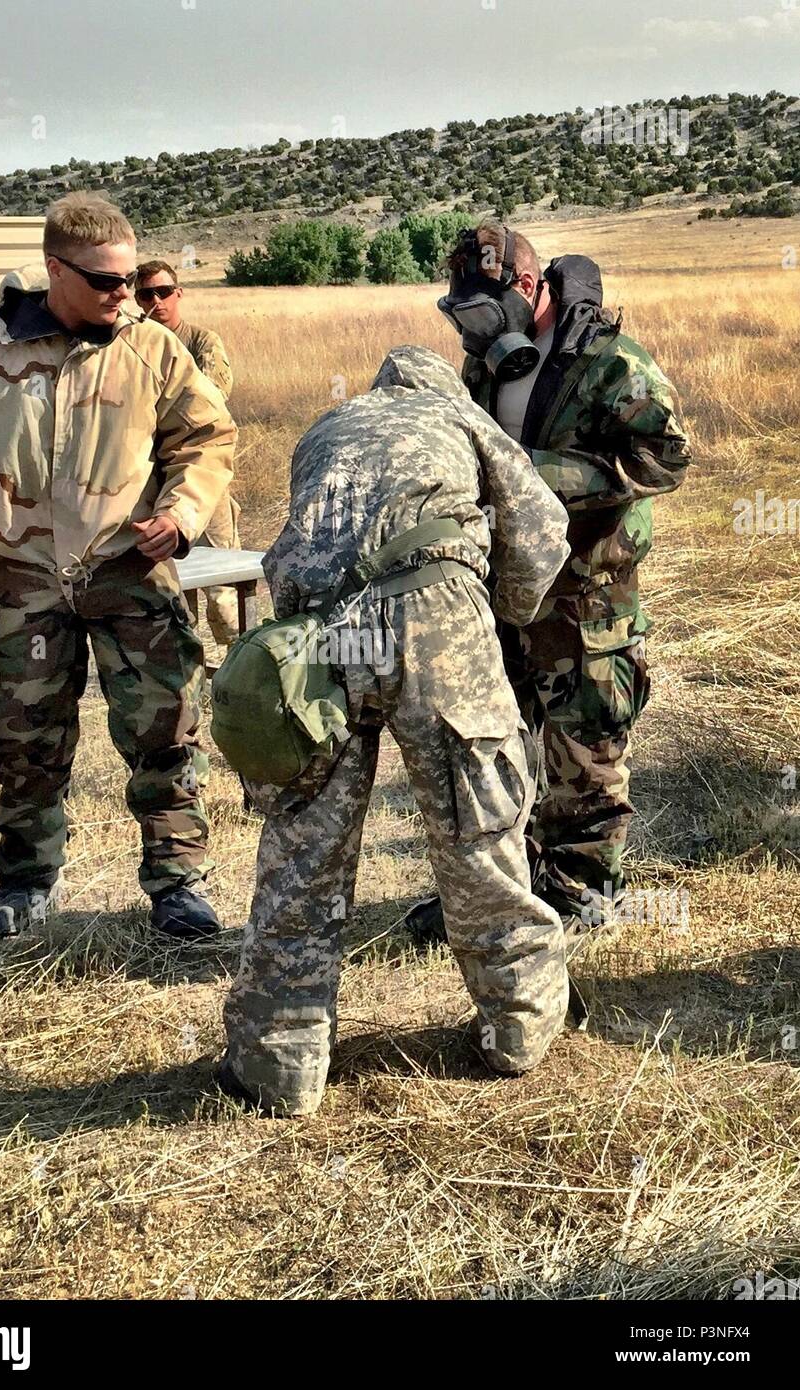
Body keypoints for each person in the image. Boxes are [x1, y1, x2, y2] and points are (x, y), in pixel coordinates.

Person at [220, 346, 571, 1116]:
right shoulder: (459, 414)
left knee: (303, 847)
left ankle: (279, 1067)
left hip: (318, 635)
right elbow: (543, 532)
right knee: (479, 832)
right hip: (436, 622)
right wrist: (504, 609)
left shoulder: (327, 424)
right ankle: (518, 1030)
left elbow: (301, 543)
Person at [0, 194, 237, 941]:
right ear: (55, 270)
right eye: (106, 282)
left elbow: (208, 439)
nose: (125, 295)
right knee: (26, 743)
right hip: (25, 577)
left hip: (129, 571)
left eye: (131, 280)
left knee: (163, 735)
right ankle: (25, 881)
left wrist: (182, 514)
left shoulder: (150, 347)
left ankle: (178, 882)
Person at [414, 220, 693, 952]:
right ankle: (502, 885)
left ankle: (583, 890)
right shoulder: (484, 368)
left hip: (587, 595)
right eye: (462, 315)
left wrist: (536, 476)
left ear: (528, 287)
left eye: (485, 311)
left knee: (585, 749)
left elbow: (664, 456)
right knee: (502, 742)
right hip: (510, 591)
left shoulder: (608, 362)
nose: (474, 331)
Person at [134, 259, 240, 648]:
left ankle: (236, 667)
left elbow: (212, 404)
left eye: (164, 292)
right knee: (170, 587)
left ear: (179, 293)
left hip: (199, 477)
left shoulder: (201, 342)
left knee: (221, 581)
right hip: (151, 481)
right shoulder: (131, 346)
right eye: (146, 294)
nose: (156, 301)